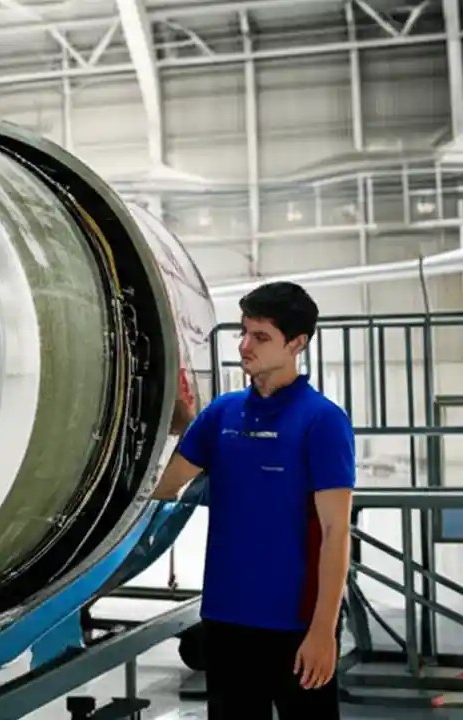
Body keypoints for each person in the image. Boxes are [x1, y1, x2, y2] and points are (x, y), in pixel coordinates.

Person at [153, 281, 355, 719]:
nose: (245, 346)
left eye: (261, 336)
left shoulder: (322, 421)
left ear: (296, 343)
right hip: (226, 619)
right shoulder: (220, 415)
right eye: (243, 332)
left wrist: (324, 629)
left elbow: (338, 532)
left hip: (296, 624)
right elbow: (164, 487)